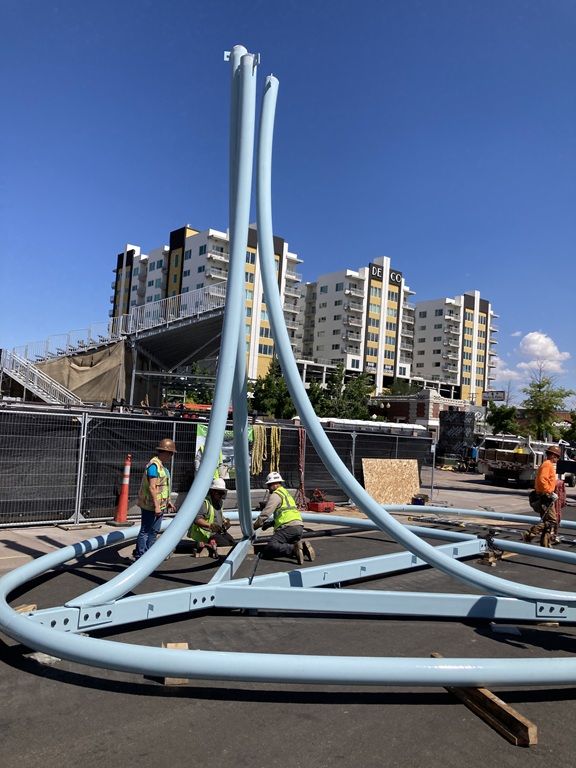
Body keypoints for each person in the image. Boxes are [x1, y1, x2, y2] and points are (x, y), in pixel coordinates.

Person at [253, 472, 315, 565]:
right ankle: (303, 548)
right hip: (298, 527)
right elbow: (284, 513)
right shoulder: (286, 493)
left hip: (288, 527)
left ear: (273, 484)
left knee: (271, 546)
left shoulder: (276, 495)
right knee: (288, 547)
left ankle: (294, 549)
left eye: (269, 485)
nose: (268, 488)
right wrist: (270, 524)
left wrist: (255, 525)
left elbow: (266, 513)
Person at [134, 438, 176, 560]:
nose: (171, 456)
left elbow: (163, 487)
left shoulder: (162, 467)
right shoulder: (154, 466)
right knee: (146, 530)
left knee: (154, 530)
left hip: (159, 506)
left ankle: (150, 555)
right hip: (150, 505)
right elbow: (152, 488)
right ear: (164, 452)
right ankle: (141, 555)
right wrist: (157, 506)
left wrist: (168, 502)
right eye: (170, 453)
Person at [523, 445, 561, 547]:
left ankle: (545, 545)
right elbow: (542, 480)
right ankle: (529, 533)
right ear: (553, 455)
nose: (557, 459)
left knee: (546, 522)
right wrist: (549, 492)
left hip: (544, 495)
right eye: (557, 456)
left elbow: (544, 480)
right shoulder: (547, 464)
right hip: (546, 496)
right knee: (552, 521)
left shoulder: (547, 464)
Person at [187, 477, 235, 558]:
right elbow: (197, 520)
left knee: (232, 542)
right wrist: (210, 526)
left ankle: (210, 544)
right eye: (219, 493)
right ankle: (205, 545)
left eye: (222, 493)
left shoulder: (219, 503)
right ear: (213, 492)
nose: (221, 495)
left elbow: (218, 516)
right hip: (207, 533)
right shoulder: (205, 503)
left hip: (217, 532)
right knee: (224, 544)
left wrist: (225, 521)